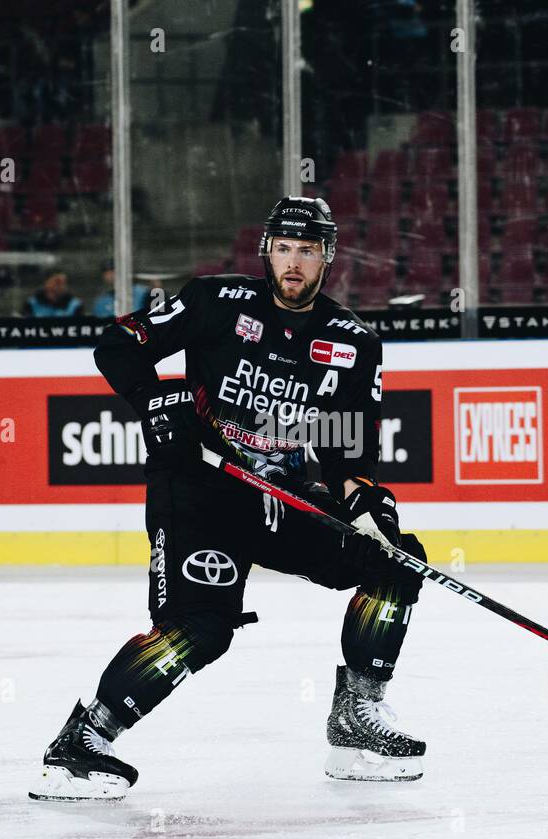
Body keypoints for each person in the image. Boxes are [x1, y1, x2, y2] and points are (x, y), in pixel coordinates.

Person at [30, 197, 427, 800]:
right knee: (202, 629)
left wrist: (365, 499)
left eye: (308, 250)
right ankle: (85, 740)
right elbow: (119, 344)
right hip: (197, 489)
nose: (294, 263)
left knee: (396, 560)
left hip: (278, 493)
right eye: (285, 248)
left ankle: (355, 718)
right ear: (267, 249)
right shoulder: (215, 302)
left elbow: (348, 452)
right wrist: (156, 402)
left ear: (328, 258)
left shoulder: (353, 342)